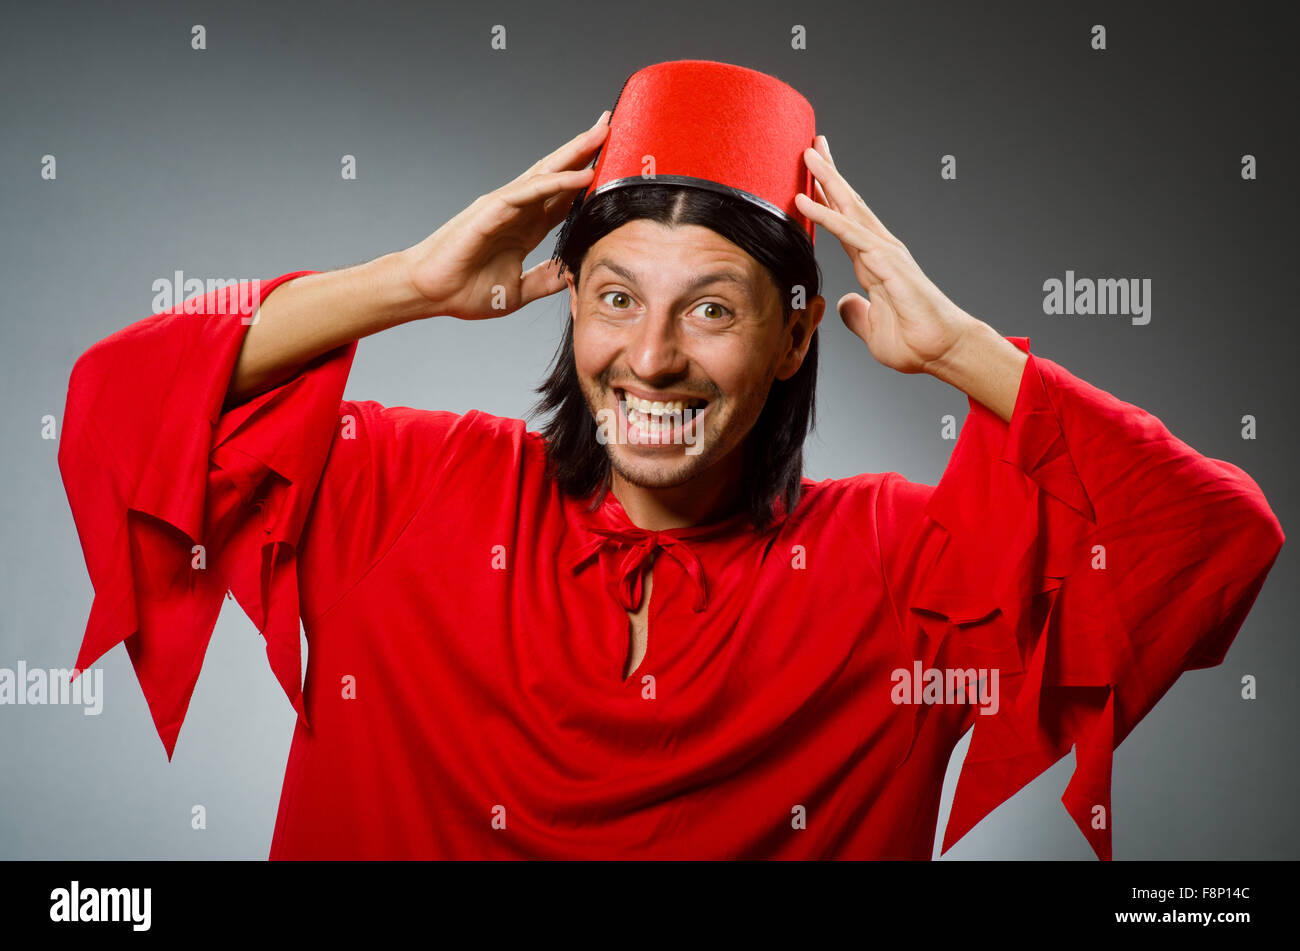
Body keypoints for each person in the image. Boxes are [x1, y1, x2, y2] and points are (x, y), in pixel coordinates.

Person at [58, 60, 1283, 860]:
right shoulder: (407, 488)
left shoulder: (899, 567)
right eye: (613, 297)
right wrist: (408, 283)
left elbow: (1214, 537)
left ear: (795, 335)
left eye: (710, 309)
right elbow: (121, 400)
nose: (648, 359)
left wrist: (964, 351)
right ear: (569, 307)